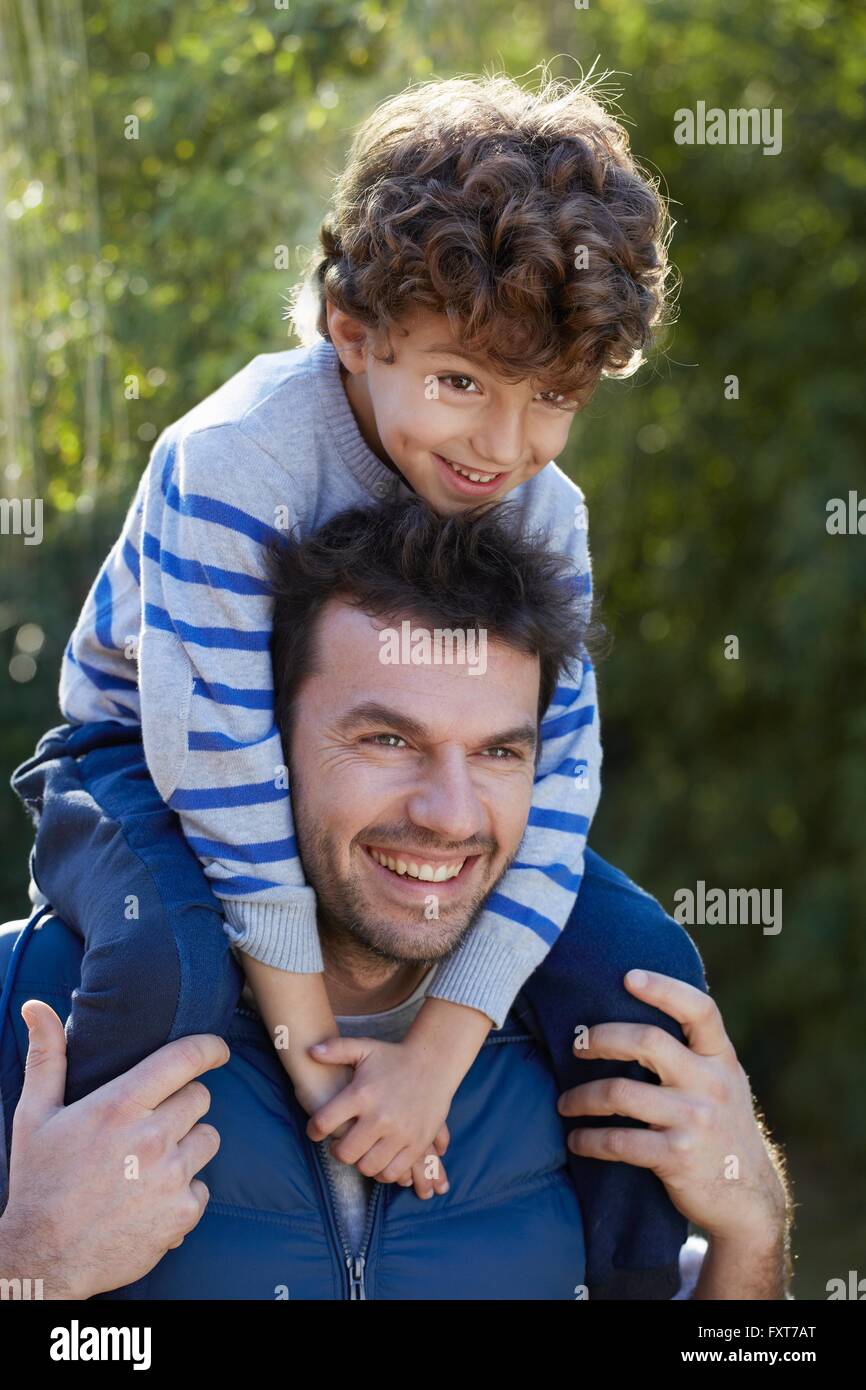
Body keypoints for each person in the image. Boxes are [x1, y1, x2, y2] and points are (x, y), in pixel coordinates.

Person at [9, 70, 673, 1194]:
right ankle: (100, 1230)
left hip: (377, 778)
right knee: (161, 962)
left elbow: (557, 786)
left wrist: (434, 1056)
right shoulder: (234, 459)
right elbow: (214, 760)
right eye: (461, 380)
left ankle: (626, 1277)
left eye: (552, 397)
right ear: (351, 329)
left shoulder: (546, 512)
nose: (502, 447)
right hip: (140, 759)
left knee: (638, 967)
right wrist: (322, 1067)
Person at [0, 502, 791, 1300]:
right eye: (388, 741)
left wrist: (752, 1227)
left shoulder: (596, 1031)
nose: (449, 814)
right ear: (257, 747)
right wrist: (31, 1268)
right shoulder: (36, 1007)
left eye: (497, 752)